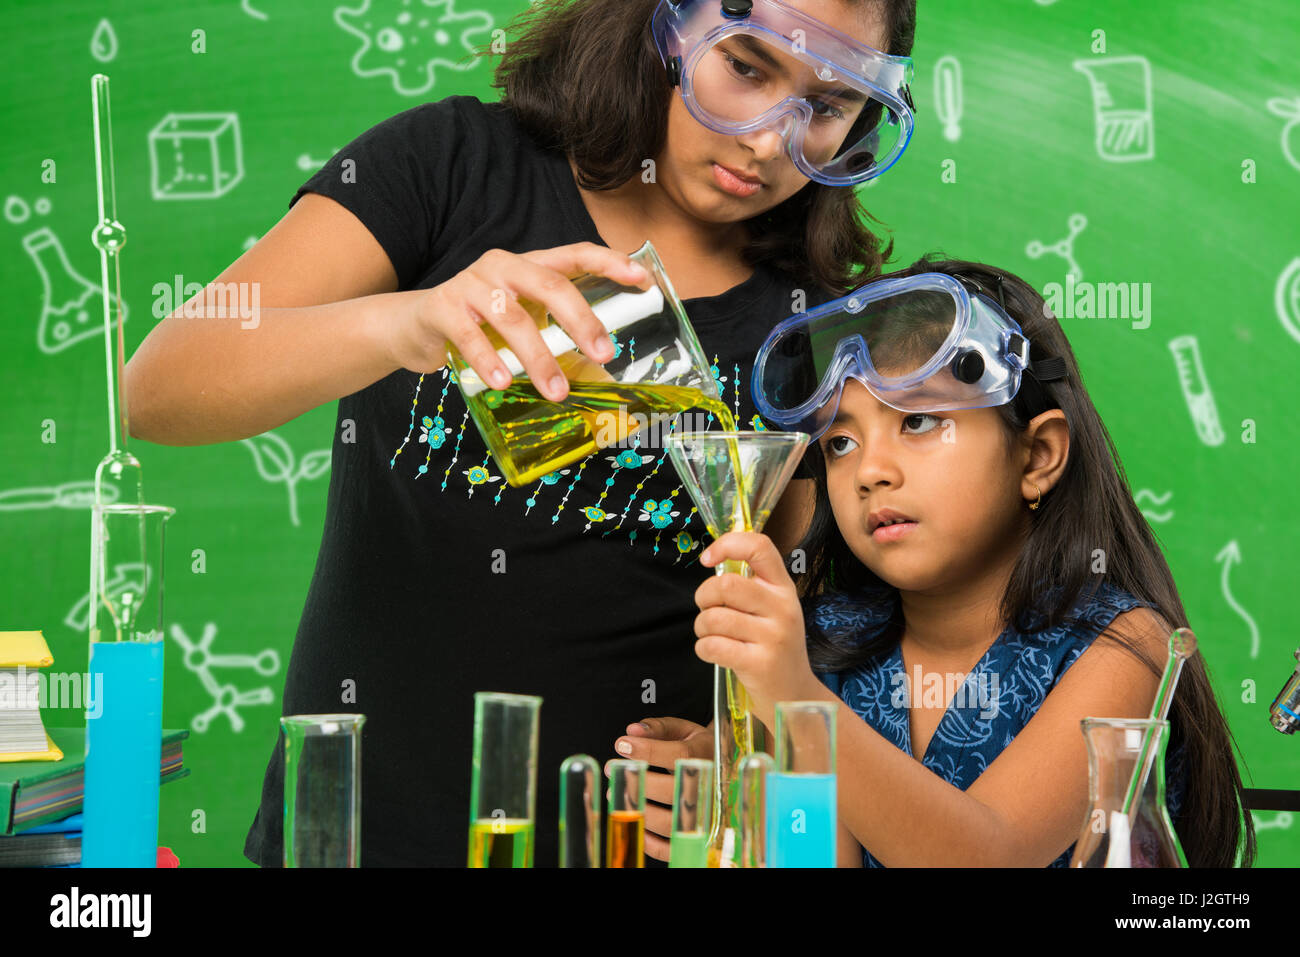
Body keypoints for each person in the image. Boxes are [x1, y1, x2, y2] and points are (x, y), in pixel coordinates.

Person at [123, 0, 919, 866]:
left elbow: (790, 626)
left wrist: (738, 754)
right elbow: (158, 387)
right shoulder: (453, 164)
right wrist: (405, 322)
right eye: (747, 67)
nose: (768, 140)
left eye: (827, 105)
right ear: (665, 28)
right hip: (354, 839)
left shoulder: (813, 322)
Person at [617, 256, 1257, 867]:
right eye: (840, 443)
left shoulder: (1122, 647)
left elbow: (989, 854)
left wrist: (795, 702)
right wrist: (748, 800)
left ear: (1037, 457)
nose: (870, 471)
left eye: (919, 422)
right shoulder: (821, 643)